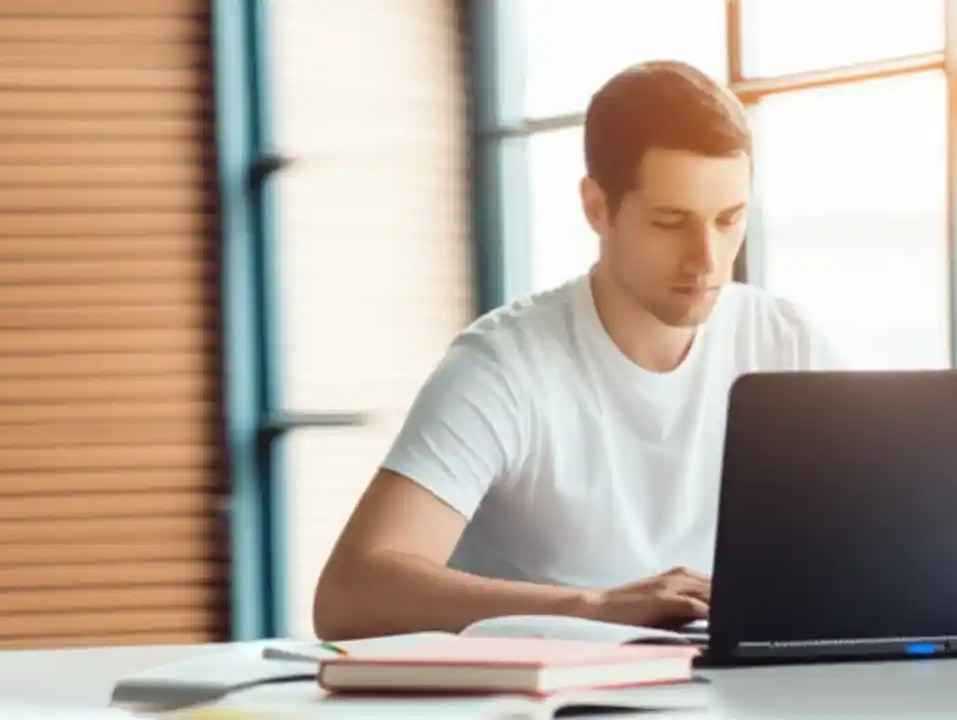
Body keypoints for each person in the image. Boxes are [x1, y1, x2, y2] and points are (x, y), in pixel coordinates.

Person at [314, 60, 838, 641]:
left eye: (728, 220)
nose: (708, 259)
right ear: (596, 208)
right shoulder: (505, 365)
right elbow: (350, 593)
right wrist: (595, 607)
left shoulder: (787, 340)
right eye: (670, 222)